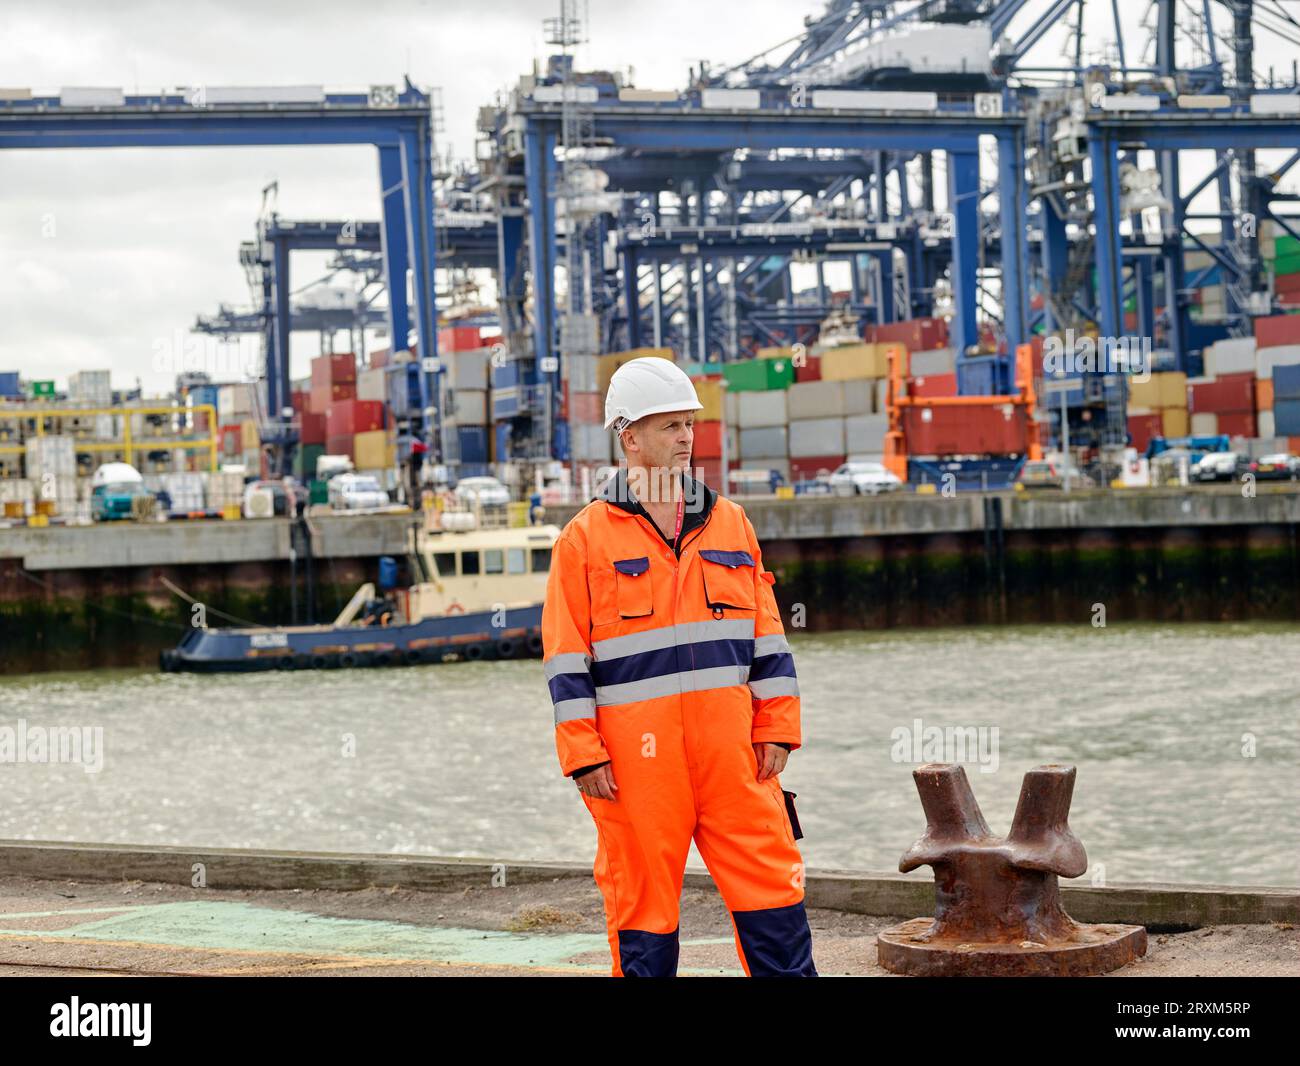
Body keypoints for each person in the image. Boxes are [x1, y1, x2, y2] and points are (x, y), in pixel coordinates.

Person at [541, 357, 817, 978]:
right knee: (644, 911)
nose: (686, 438)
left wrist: (777, 728)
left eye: (689, 424)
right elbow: (565, 662)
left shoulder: (731, 523)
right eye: (669, 426)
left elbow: (768, 639)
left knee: (774, 892)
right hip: (637, 771)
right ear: (629, 436)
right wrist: (584, 756)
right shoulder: (583, 541)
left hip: (734, 758)